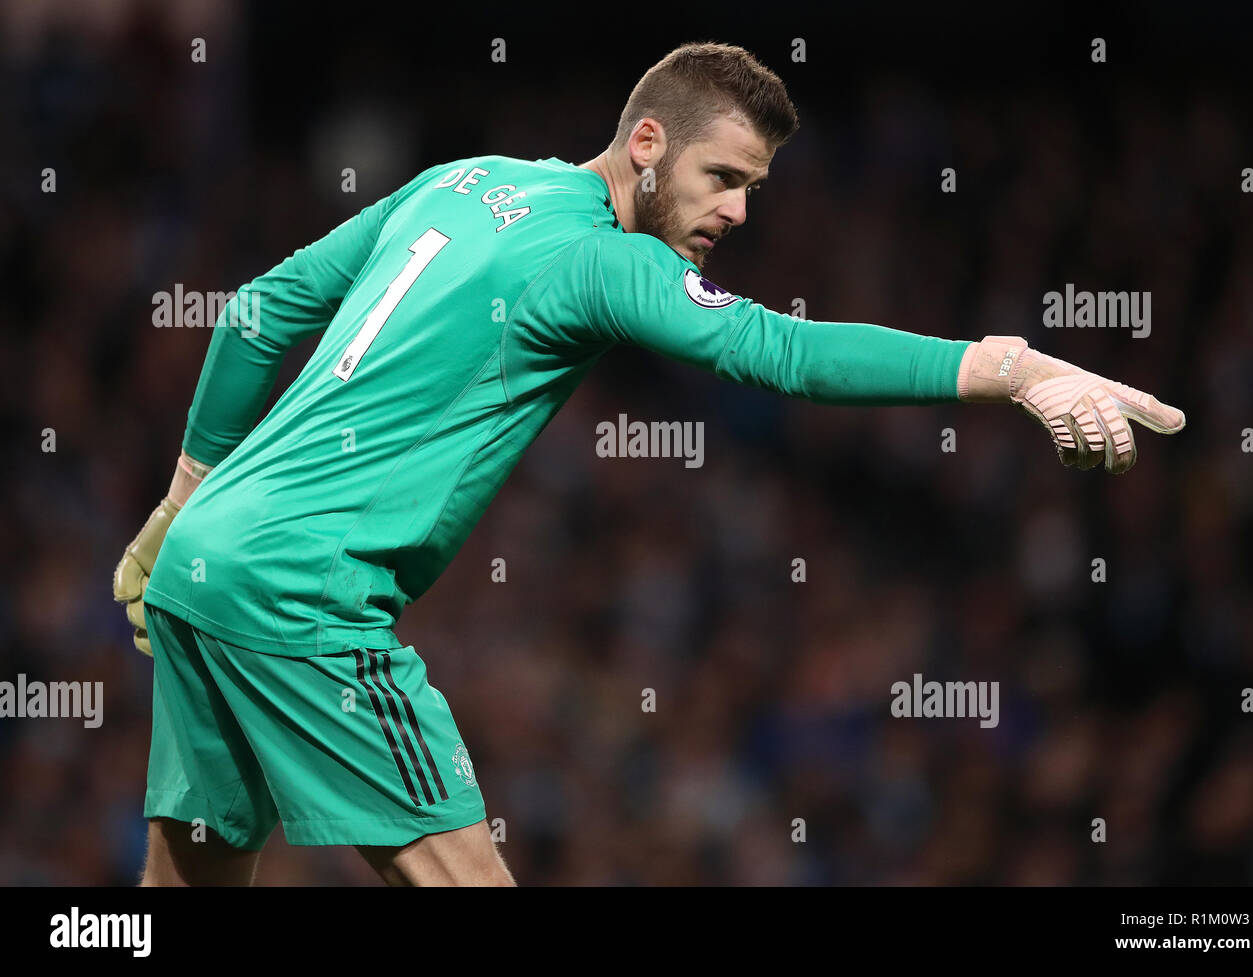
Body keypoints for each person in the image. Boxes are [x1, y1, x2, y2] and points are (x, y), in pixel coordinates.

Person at [112, 41, 1185, 886]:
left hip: (207, 562)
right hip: (304, 590)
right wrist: (1001, 363)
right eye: (721, 176)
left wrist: (185, 499)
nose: (737, 210)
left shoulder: (463, 178)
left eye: (753, 186)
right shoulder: (601, 259)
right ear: (645, 143)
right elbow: (784, 351)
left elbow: (258, 310)